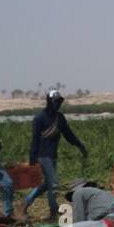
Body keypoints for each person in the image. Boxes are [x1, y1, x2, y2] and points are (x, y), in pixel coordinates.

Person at [24, 90, 88, 219]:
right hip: (42, 156)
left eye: (59, 102)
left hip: (52, 156)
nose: (57, 104)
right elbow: (35, 140)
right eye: (55, 101)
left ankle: (25, 202)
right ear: (49, 101)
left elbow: (68, 134)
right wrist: (32, 159)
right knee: (53, 184)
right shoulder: (40, 118)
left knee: (48, 184)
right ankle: (53, 211)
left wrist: (79, 145)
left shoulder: (60, 118)